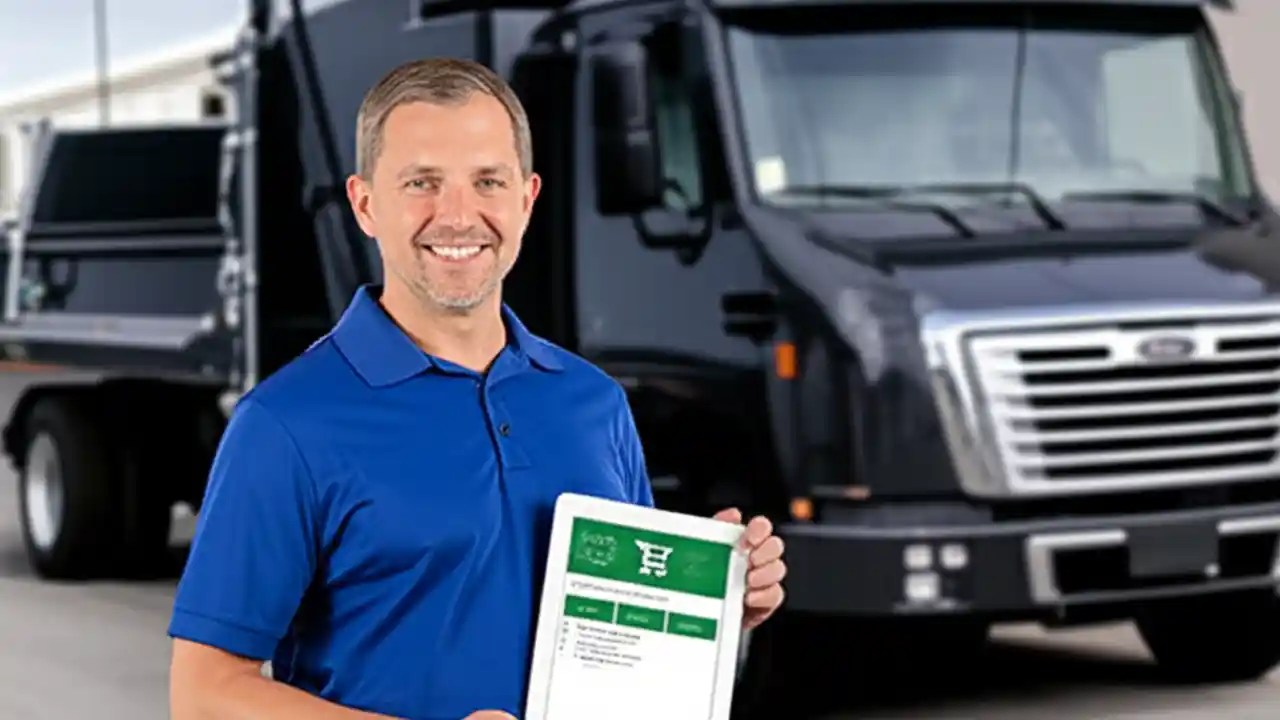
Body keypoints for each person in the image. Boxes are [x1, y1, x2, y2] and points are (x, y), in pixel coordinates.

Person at [167, 57, 787, 720]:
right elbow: (204, 695)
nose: (457, 215)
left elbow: (617, 655)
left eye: (487, 181)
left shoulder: (592, 403)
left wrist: (712, 611)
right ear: (365, 204)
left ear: (526, 198)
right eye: (422, 183)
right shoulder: (286, 425)